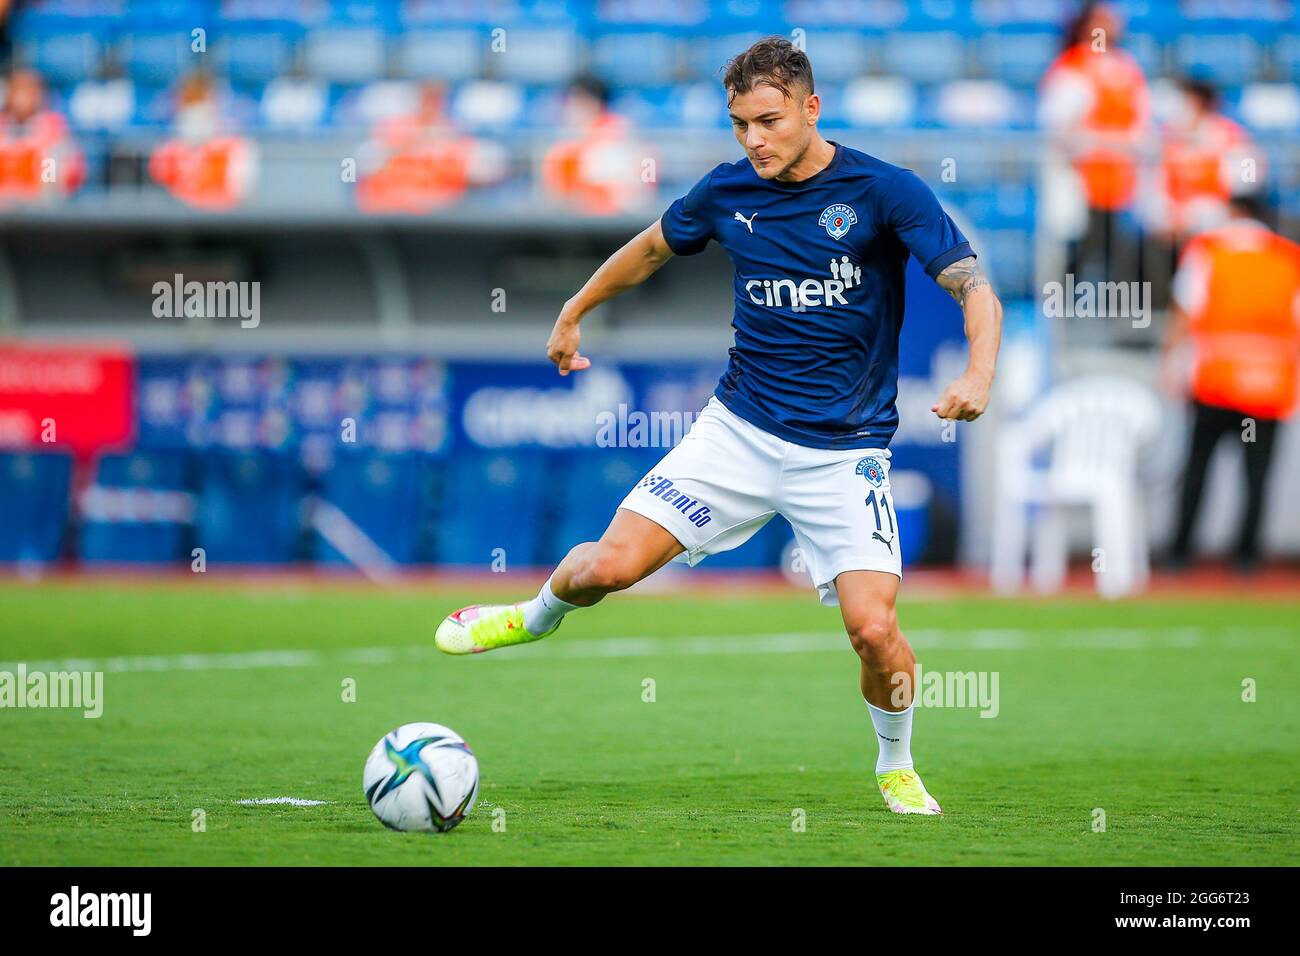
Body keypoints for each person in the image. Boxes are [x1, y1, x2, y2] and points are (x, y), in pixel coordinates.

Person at [434, 37, 1003, 816]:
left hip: (844, 455)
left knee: (873, 630)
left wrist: (977, 374)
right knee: (605, 570)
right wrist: (574, 310)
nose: (753, 140)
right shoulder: (730, 191)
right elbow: (650, 249)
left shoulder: (886, 191)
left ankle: (895, 762)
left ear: (811, 107)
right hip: (736, 434)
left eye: (768, 121)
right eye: (740, 124)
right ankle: (530, 619)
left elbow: (974, 287)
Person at [1165, 195, 1300, 571]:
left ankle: (1180, 554)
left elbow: (1185, 311)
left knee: (1197, 471)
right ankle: (1247, 559)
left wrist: (1170, 364)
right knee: (1256, 477)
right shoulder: (1288, 257)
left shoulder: (1207, 250)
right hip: (1268, 387)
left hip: (1216, 382)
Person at [1039, 1, 1149, 283]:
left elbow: (1141, 122)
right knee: (1077, 254)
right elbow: (1060, 126)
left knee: (1118, 257)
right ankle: (1065, 317)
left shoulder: (1126, 66)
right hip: (1082, 180)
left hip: (1120, 183)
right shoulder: (1073, 66)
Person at [0, 67, 84, 203]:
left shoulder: (53, 127)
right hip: (3, 202)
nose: (22, 98)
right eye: (18, 91)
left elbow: (70, 170)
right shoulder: (2, 124)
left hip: (39, 202)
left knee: (52, 154)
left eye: (29, 91)